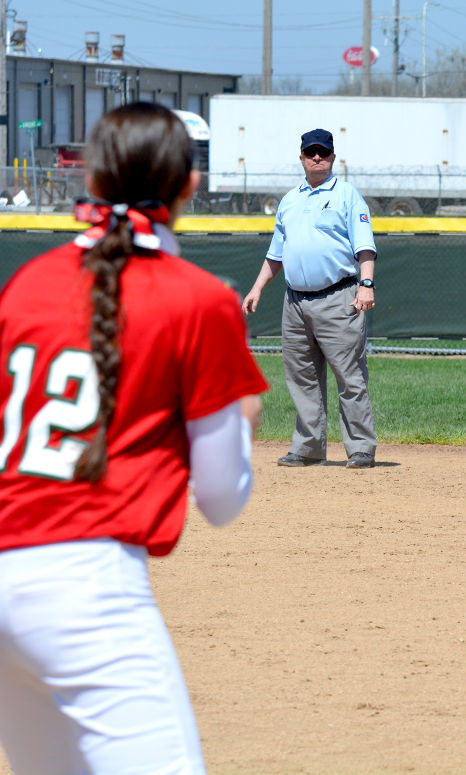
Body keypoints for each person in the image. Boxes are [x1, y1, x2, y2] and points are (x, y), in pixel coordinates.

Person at [0, 102, 269, 773]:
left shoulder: (27, 283)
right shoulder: (198, 297)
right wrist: (240, 418)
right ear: (190, 187)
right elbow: (221, 498)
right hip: (86, 588)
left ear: (91, 181)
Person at [242, 128, 379, 469]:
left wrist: (366, 284)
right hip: (296, 303)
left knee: (349, 376)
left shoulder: (348, 195)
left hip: (339, 297)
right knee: (301, 377)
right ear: (301, 157)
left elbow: (365, 246)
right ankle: (308, 447)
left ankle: (361, 447)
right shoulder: (289, 201)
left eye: (323, 152)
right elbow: (276, 254)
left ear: (333, 157)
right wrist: (258, 287)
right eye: (310, 152)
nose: (317, 157)